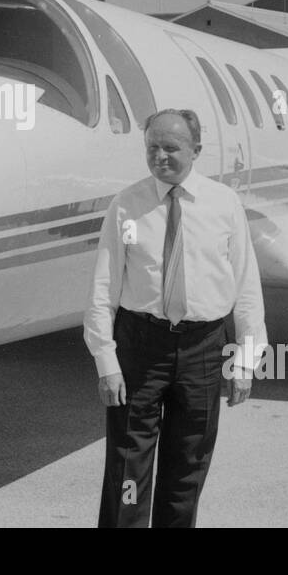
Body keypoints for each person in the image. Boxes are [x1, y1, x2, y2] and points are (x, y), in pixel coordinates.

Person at [84, 108, 266, 528]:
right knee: (127, 467)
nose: (160, 156)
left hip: (204, 347)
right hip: (139, 346)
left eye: (172, 147)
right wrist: (106, 363)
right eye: (153, 148)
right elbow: (102, 288)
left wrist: (245, 362)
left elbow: (246, 289)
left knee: (188, 467)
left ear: (196, 150)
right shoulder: (127, 206)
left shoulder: (224, 205)